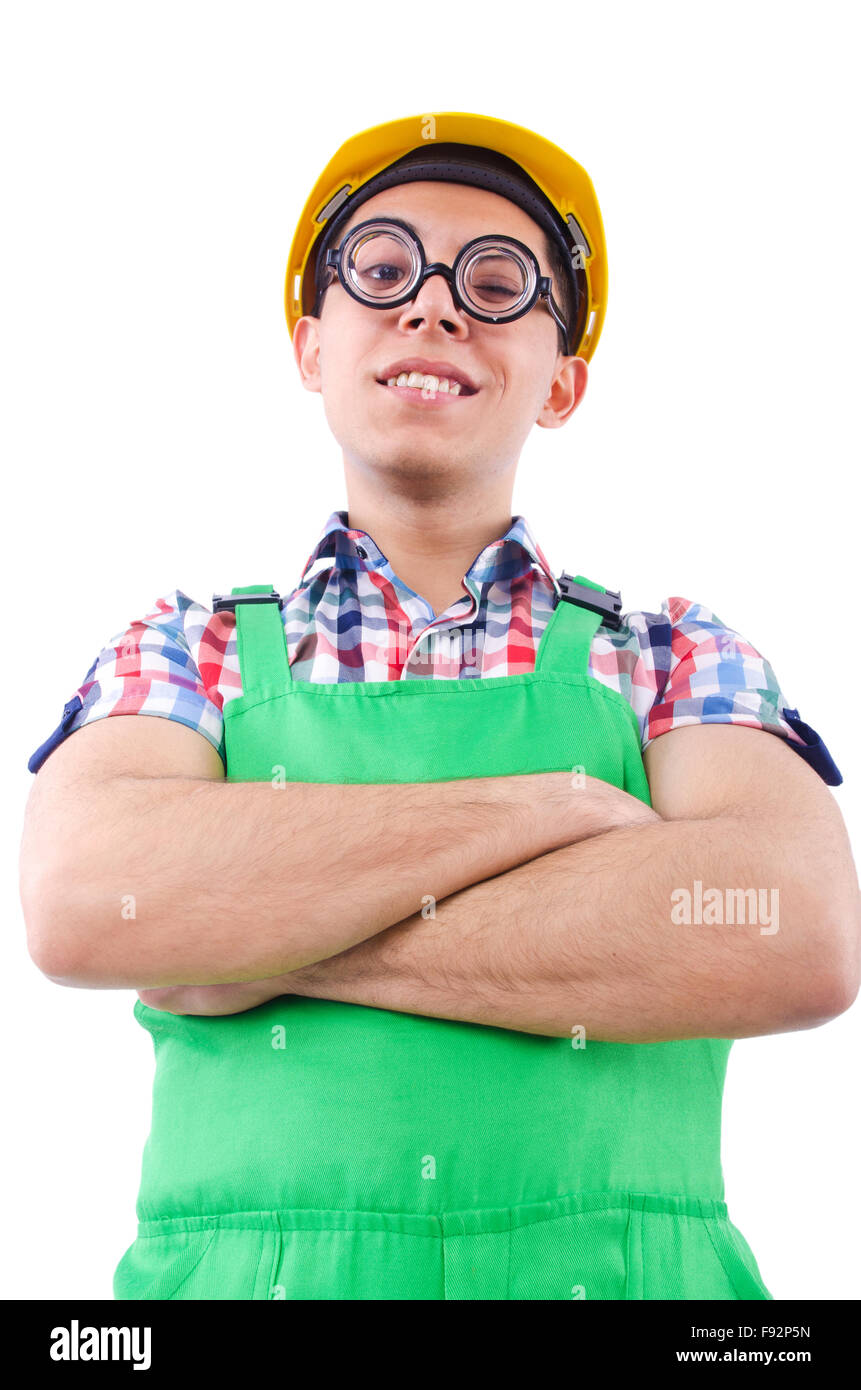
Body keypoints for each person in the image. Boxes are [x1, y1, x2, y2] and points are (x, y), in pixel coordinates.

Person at [20, 111, 860, 1301]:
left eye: (497, 281)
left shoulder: (679, 655)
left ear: (563, 381)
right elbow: (83, 901)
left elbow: (798, 929)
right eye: (379, 270)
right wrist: (557, 809)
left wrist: (245, 931)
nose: (432, 305)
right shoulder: (181, 647)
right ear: (311, 346)